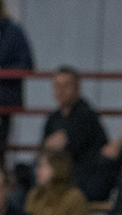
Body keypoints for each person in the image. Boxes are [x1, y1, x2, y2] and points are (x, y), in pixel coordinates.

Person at [41, 68, 111, 201]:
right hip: (57, 177)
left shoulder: (87, 116)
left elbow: (72, 149)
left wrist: (57, 144)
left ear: (77, 88)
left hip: (84, 179)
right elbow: (45, 147)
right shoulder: (53, 118)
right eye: (57, 86)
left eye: (66, 86)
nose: (60, 91)